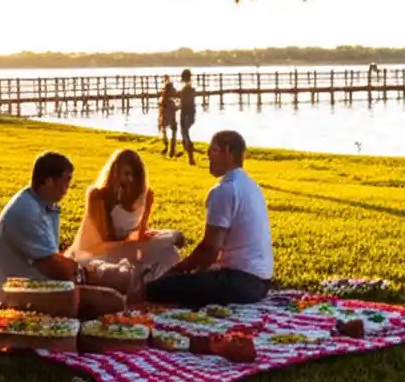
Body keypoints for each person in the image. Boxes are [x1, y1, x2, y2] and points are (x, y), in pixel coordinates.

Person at [0, 151, 135, 307]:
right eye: (66, 180)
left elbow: (54, 257)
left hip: (39, 282)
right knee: (110, 301)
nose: (68, 186)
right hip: (12, 293)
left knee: (111, 285)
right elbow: (52, 266)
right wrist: (86, 273)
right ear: (49, 181)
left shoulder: (47, 206)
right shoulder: (27, 210)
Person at [146, 130, 274, 307]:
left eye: (213, 149)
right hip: (261, 283)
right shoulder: (251, 186)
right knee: (186, 284)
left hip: (240, 283)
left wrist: (178, 270)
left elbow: (210, 249)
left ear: (228, 152)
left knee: (156, 288)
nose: (207, 154)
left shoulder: (225, 190)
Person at [67, 149, 184, 286]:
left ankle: (149, 283)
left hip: (126, 248)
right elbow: (105, 239)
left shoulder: (147, 196)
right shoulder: (97, 196)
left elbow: (141, 232)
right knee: (117, 272)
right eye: (126, 174)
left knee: (171, 253)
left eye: (135, 175)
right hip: (98, 252)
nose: (130, 179)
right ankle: (140, 281)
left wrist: (151, 238)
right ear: (115, 174)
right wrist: (117, 200)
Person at [177, 69, 198, 165]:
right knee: (185, 133)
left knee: (185, 133)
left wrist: (182, 116)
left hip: (186, 114)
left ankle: (191, 157)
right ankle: (189, 155)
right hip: (191, 114)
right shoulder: (190, 89)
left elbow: (184, 105)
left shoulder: (186, 90)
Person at [158, 77, 178, 157]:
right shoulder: (167, 100)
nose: (174, 90)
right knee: (174, 130)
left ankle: (169, 148)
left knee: (167, 132)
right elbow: (172, 108)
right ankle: (171, 150)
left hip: (165, 118)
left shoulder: (163, 98)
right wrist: (180, 106)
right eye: (172, 89)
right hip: (168, 118)